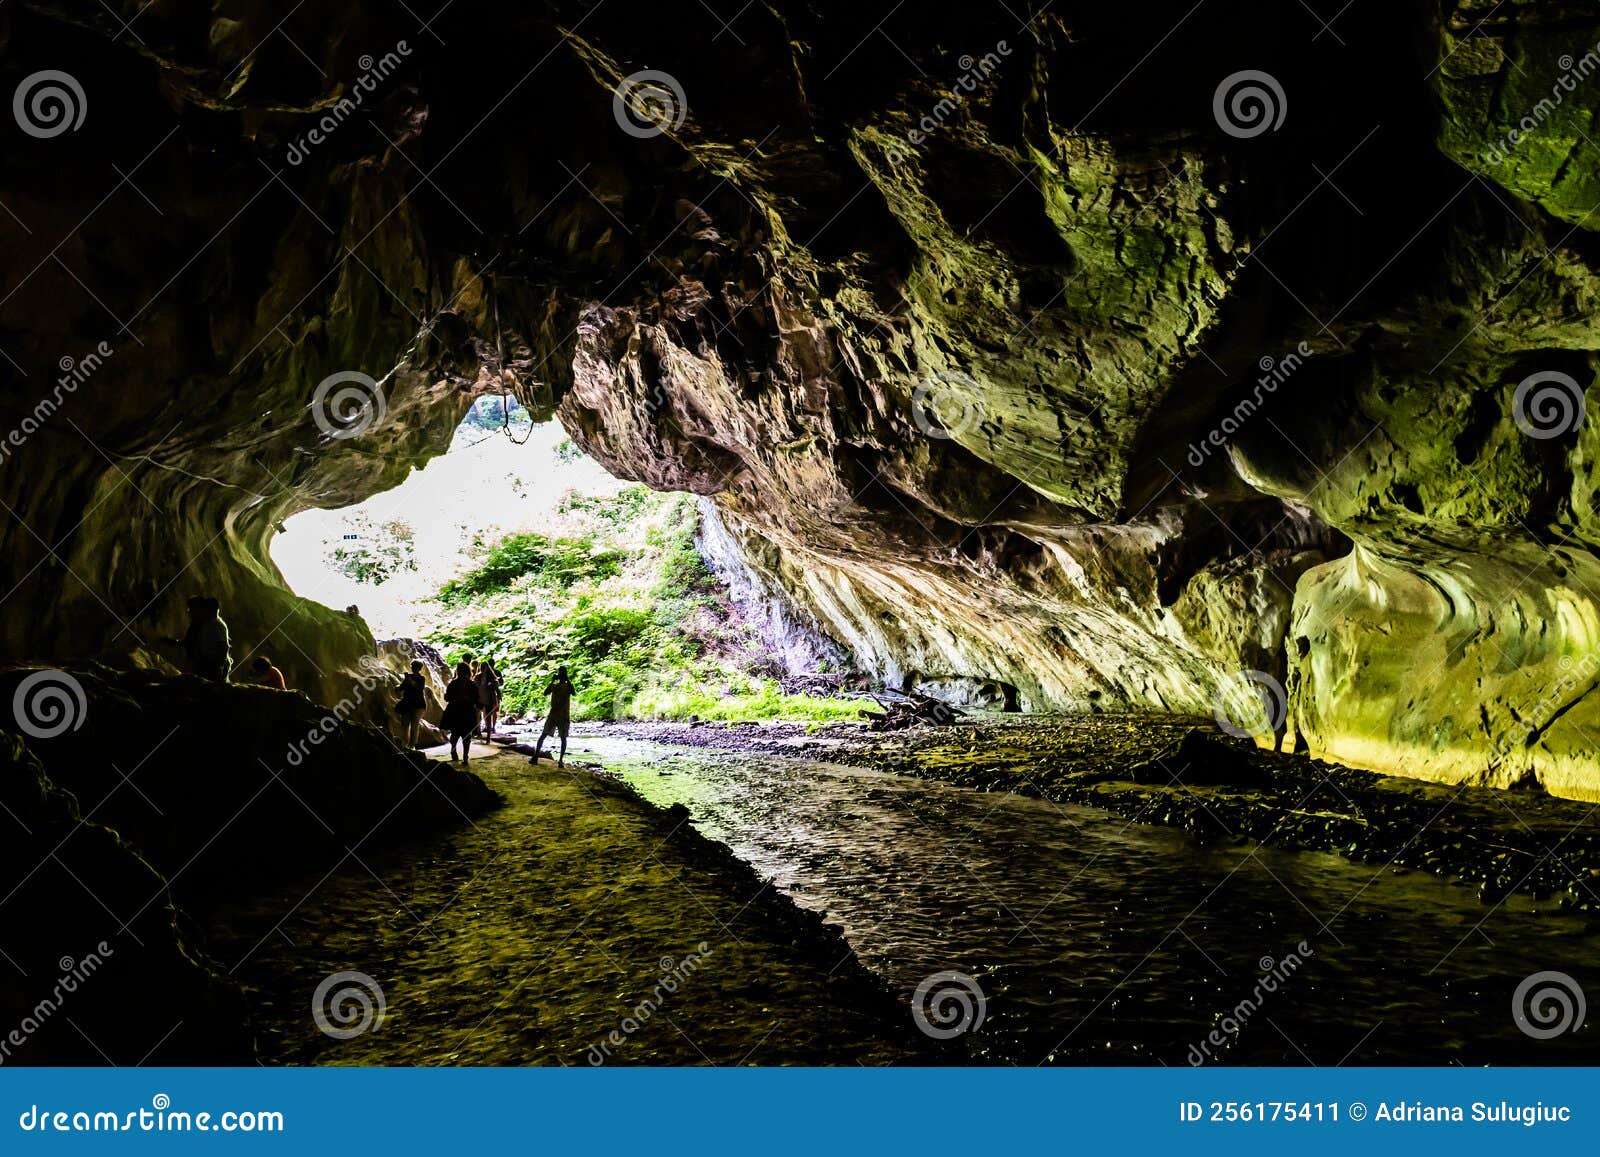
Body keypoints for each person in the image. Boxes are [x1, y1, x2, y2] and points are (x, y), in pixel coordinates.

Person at [530, 666, 575, 769]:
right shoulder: (556, 686)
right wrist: (553, 681)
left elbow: (573, 693)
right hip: (557, 715)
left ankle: (556, 759)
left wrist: (566, 680)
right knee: (553, 736)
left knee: (553, 736)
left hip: (560, 715)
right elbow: (545, 692)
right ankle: (555, 760)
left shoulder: (567, 686)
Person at [182, 595, 232, 683]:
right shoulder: (207, 624)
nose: (189, 612)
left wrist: (218, 669)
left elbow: (224, 648)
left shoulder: (215, 625)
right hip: (207, 669)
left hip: (211, 671)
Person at [441, 661, 481, 763]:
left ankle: (453, 751)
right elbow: (477, 699)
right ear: (468, 672)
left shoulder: (453, 683)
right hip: (468, 712)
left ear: (458, 671)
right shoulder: (472, 685)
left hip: (455, 711)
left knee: (455, 733)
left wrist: (456, 698)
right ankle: (465, 757)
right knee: (466, 735)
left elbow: (447, 697)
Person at [395, 660, 427, 750]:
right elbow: (402, 687)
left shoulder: (421, 678)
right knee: (405, 724)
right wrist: (397, 687)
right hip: (407, 704)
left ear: (419, 668)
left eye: (415, 666)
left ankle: (412, 745)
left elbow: (419, 689)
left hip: (418, 704)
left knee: (415, 725)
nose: (413, 668)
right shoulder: (408, 677)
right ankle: (405, 744)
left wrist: (411, 681)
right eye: (412, 666)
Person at [475, 659, 502, 740]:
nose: (484, 669)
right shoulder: (478, 676)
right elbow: (475, 687)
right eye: (483, 667)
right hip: (480, 699)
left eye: (485, 667)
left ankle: (488, 736)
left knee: (487, 717)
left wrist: (498, 694)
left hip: (488, 699)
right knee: (478, 716)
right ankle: (479, 732)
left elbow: (496, 687)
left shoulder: (492, 678)